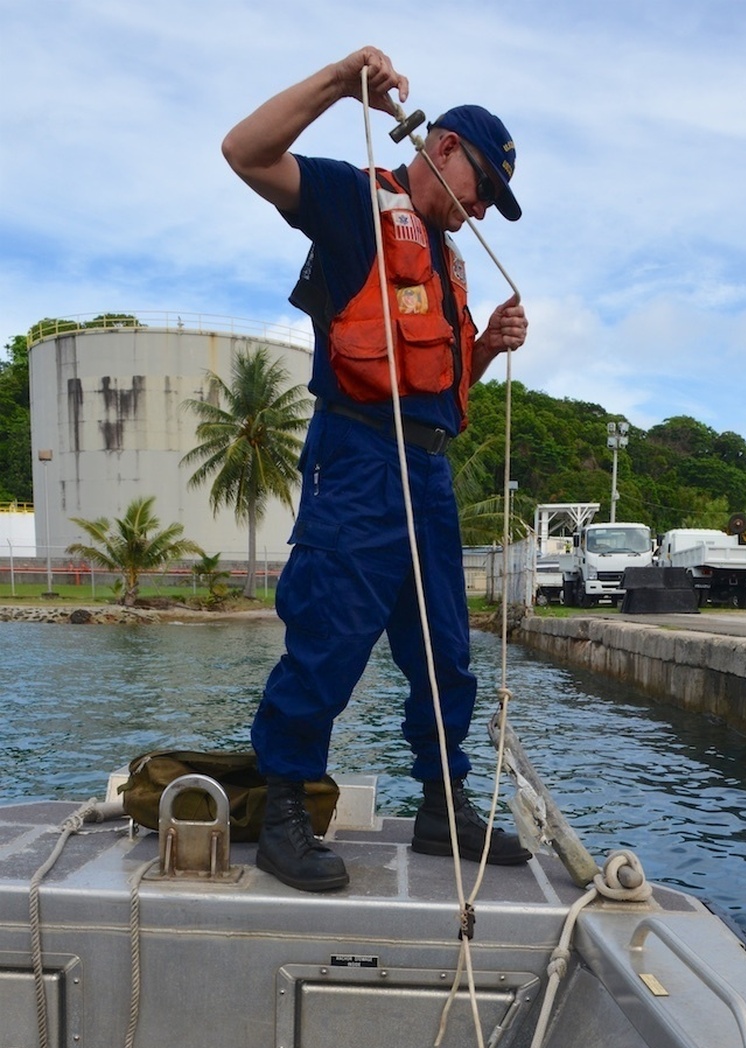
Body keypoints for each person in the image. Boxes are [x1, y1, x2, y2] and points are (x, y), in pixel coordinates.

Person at [222, 46, 531, 892]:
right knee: (328, 638)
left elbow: (439, 394)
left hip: (428, 473)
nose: (480, 209)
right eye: (481, 188)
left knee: (445, 651)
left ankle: (442, 805)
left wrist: (484, 348)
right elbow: (244, 152)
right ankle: (284, 811)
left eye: (490, 204)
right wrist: (336, 83)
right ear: (446, 147)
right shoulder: (356, 203)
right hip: (357, 459)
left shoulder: (449, 261)